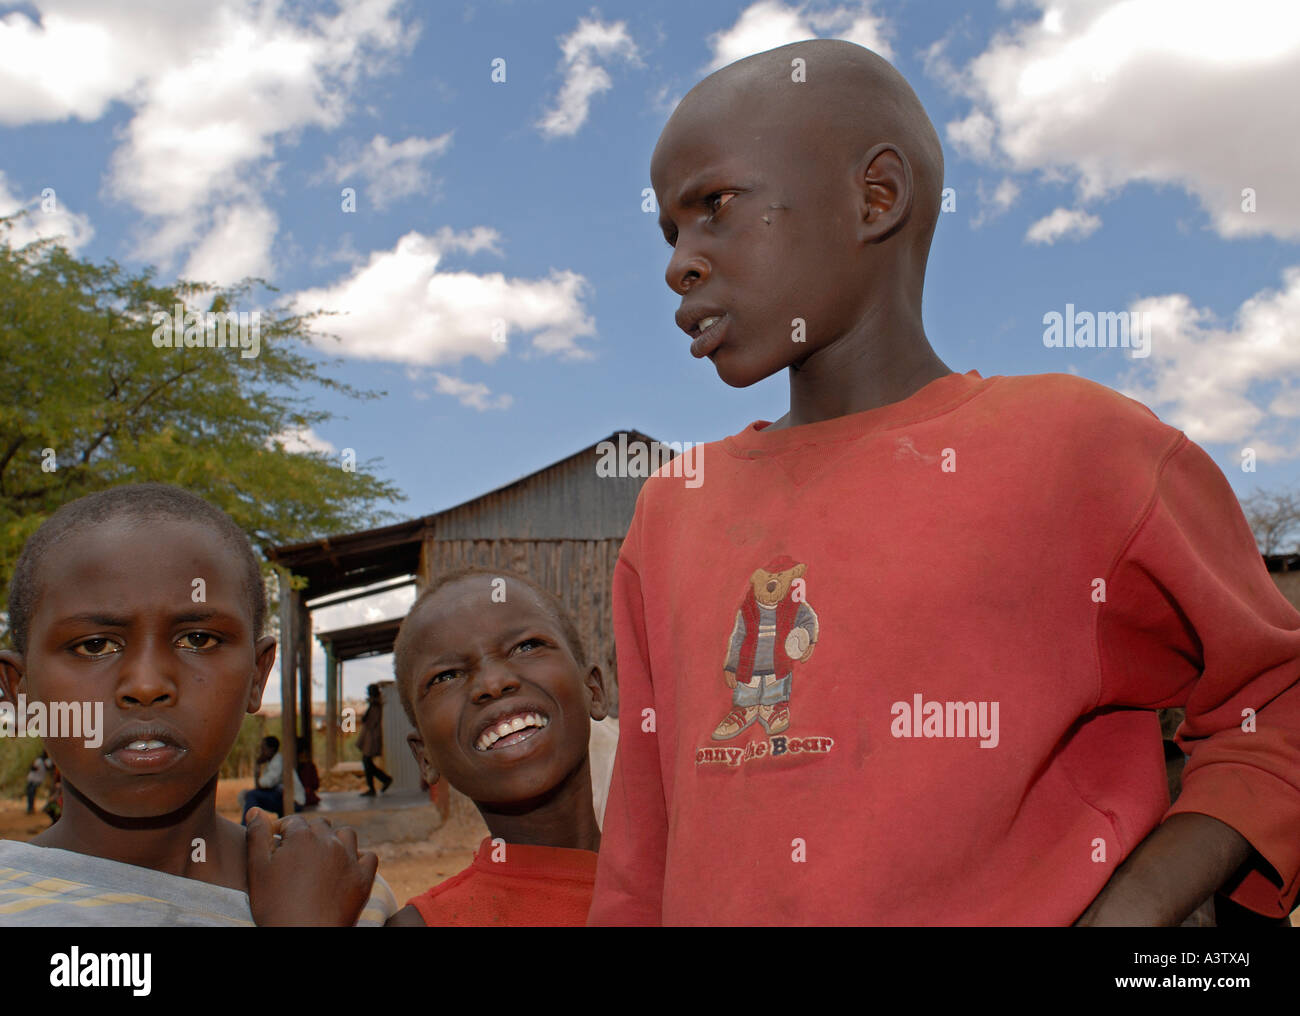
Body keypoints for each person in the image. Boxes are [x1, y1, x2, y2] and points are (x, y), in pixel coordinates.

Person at [588, 39, 1300, 926]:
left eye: (716, 207)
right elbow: (640, 852)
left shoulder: (1083, 450)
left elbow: (1274, 705)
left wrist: (1143, 904)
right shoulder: (672, 510)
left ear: (875, 197)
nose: (679, 262)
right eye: (671, 230)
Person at [0, 483, 395, 926]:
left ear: (256, 675)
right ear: (21, 690)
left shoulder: (345, 891)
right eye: (94, 645)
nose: (147, 685)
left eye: (197, 639)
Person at [386, 568, 607, 926]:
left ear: (593, 691)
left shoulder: (686, 880)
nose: (493, 682)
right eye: (446, 676)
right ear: (424, 756)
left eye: (526, 646)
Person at [239, 736, 306, 822]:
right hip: (285, 798)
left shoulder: (278, 762)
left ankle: (247, 825)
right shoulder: (272, 762)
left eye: (263, 749)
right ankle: (251, 823)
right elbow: (260, 786)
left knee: (252, 795)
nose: (261, 752)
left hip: (294, 803)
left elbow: (264, 785)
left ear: (272, 749)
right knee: (250, 794)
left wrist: (257, 765)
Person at [358, 684, 392, 796]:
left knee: (366, 761)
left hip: (372, 737)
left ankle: (379, 783)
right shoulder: (375, 704)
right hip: (370, 737)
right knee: (367, 762)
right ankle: (382, 781)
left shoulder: (375, 705)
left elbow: (370, 722)